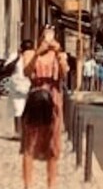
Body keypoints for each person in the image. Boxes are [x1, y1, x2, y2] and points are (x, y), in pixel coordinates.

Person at [22, 27, 70, 189]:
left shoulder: (59, 55)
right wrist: (37, 53)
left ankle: (52, 185)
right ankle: (28, 185)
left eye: (51, 35)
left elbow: (64, 75)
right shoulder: (30, 53)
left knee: (53, 145)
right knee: (30, 143)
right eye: (46, 35)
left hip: (54, 98)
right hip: (36, 96)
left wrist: (59, 54)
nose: (48, 39)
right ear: (40, 36)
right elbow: (27, 72)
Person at [9, 39, 35, 137]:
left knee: (26, 110)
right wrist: (17, 58)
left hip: (28, 86)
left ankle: (24, 131)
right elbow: (7, 68)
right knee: (17, 110)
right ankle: (18, 132)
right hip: (17, 86)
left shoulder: (34, 57)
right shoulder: (15, 57)